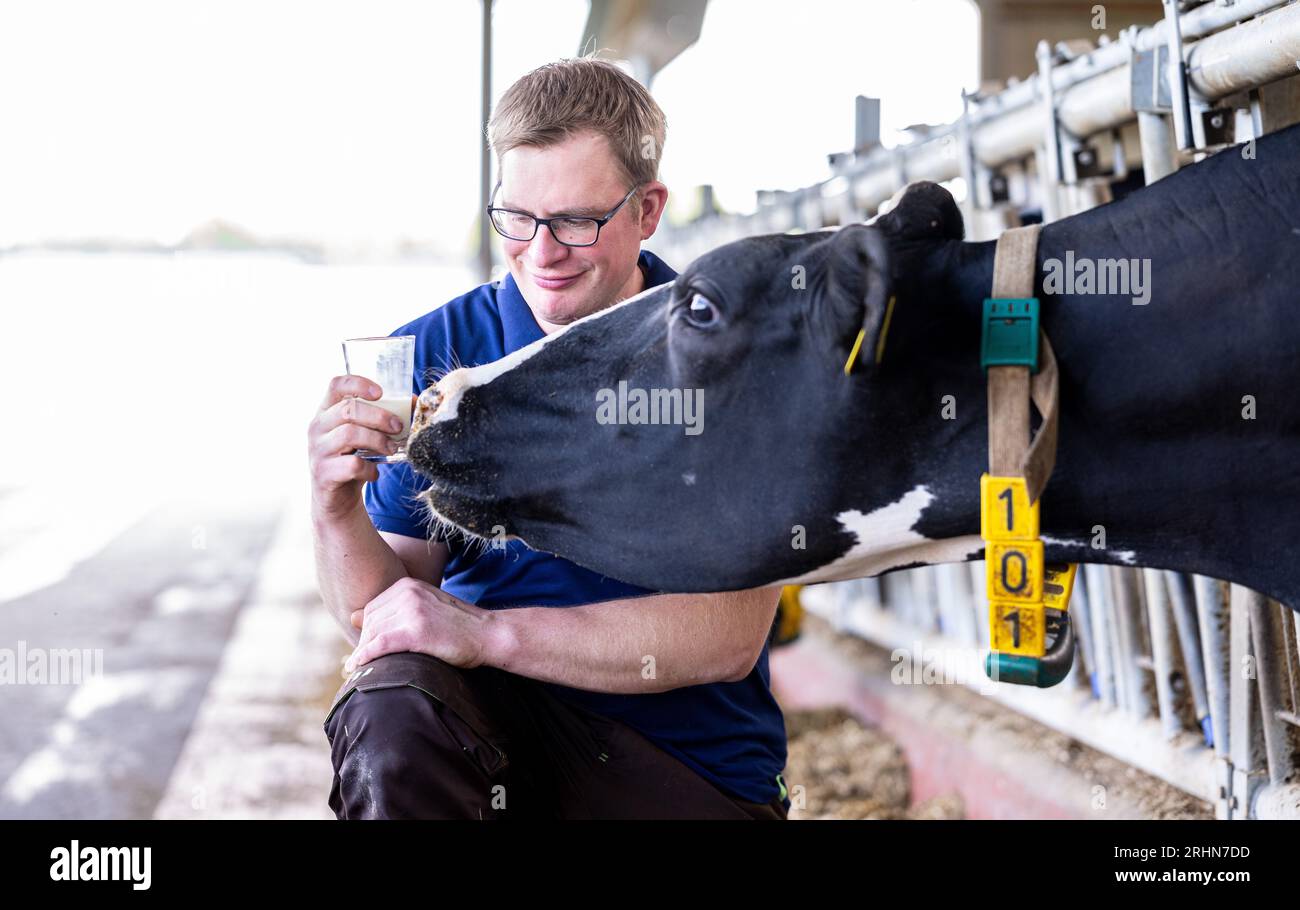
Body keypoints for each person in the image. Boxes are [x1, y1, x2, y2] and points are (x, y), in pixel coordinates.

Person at [307, 55, 790, 819]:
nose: (541, 253)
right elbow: (381, 618)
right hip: (495, 737)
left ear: (648, 209)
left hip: (685, 758)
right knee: (389, 709)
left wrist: (487, 633)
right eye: (518, 219)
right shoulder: (435, 351)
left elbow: (727, 633)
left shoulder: (728, 359)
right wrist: (335, 507)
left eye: (574, 221)